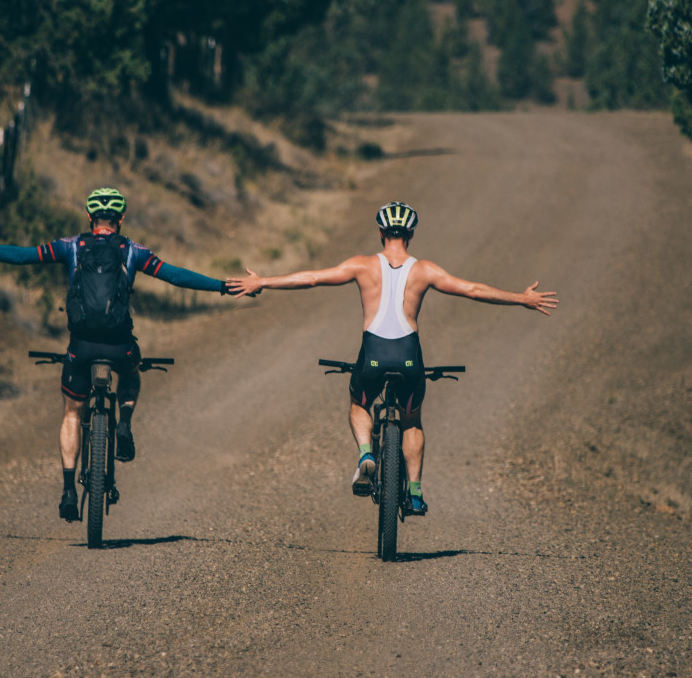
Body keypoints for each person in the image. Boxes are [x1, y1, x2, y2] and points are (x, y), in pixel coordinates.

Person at [225, 201, 557, 515]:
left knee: (359, 404)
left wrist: (263, 281)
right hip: (408, 353)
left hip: (373, 351)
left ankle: (367, 454)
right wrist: (521, 299)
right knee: (411, 419)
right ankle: (414, 494)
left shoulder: (362, 265)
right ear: (410, 235)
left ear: (381, 233)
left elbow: (311, 278)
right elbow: (472, 290)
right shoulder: (425, 270)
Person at [0, 188, 231, 522]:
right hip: (119, 345)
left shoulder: (69, 247)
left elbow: (21, 256)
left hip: (80, 347)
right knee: (132, 371)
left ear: (89, 218)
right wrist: (221, 286)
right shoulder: (133, 251)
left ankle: (67, 490)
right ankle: (123, 422)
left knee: (73, 413)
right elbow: (176, 276)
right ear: (121, 219)